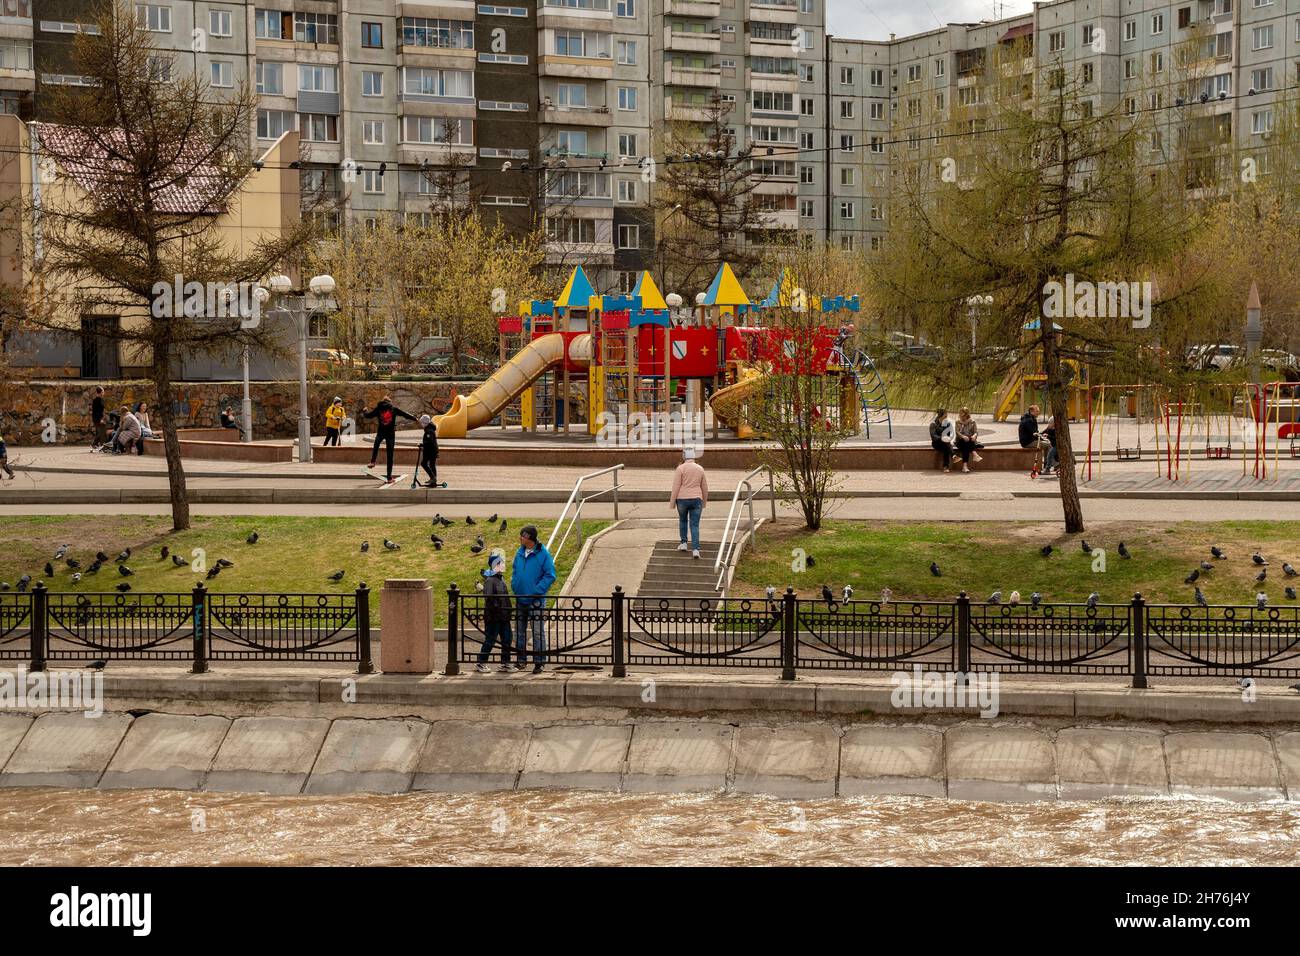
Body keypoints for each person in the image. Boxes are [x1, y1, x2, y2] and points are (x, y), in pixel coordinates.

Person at [511, 525, 557, 674]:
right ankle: (521, 661)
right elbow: (515, 570)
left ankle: (539, 662)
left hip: (535, 600)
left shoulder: (543, 554)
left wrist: (536, 591)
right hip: (520, 598)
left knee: (537, 631)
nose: (520, 538)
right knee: (519, 631)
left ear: (530, 538)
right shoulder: (519, 552)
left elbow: (550, 575)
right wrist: (514, 585)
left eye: (522, 536)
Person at [476, 549, 515, 672]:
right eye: (500, 563)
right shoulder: (490, 580)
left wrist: (509, 610)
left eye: (502, 563)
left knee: (507, 639)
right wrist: (498, 609)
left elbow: (505, 597)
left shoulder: (501, 579)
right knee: (491, 639)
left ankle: (505, 663)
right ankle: (480, 662)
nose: (503, 565)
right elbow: (489, 598)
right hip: (494, 616)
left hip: (503, 615)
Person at [363, 395, 416, 483]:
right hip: (390, 435)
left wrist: (365, 411)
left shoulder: (378, 409)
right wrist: (415, 418)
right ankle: (389, 477)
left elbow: (368, 416)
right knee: (390, 456)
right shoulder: (394, 409)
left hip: (381, 432)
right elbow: (405, 414)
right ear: (390, 402)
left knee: (376, 445)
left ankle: (373, 461)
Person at [669, 447, 708, 559]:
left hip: (682, 499)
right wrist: (704, 502)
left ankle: (684, 543)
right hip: (697, 499)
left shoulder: (680, 468)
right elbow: (704, 487)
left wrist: (672, 503)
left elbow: (676, 487)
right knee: (695, 525)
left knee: (683, 521)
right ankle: (696, 549)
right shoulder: (700, 469)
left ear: (684, 456)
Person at [954, 407, 982, 473]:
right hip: (960, 441)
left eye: (962, 413)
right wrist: (963, 436)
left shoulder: (972, 422)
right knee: (965, 441)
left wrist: (974, 436)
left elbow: (975, 432)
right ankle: (974, 454)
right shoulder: (958, 422)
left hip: (969, 440)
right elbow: (957, 432)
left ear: (966, 414)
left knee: (966, 446)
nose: (960, 415)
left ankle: (965, 467)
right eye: (960, 413)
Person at [415, 413, 440, 488]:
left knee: (424, 463)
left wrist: (422, 445)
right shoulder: (430, 428)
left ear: (425, 423)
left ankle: (433, 478)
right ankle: (433, 480)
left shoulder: (429, 430)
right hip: (433, 450)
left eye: (422, 423)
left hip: (430, 451)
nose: (421, 424)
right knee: (432, 465)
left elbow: (429, 441)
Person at [929, 408, 954, 472]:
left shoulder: (947, 423)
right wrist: (942, 438)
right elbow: (933, 436)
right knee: (946, 445)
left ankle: (946, 467)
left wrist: (948, 438)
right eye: (945, 414)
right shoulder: (933, 424)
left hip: (945, 443)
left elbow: (949, 434)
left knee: (946, 447)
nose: (947, 415)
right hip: (936, 443)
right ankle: (953, 456)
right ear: (941, 415)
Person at [90, 385, 107, 451]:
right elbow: (96, 411)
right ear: (100, 392)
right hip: (97, 418)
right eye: (103, 392)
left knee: (99, 432)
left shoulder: (102, 400)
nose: (104, 393)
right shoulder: (95, 401)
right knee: (100, 432)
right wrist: (100, 419)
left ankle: (96, 444)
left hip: (100, 417)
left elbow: (102, 410)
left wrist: (103, 417)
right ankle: (94, 444)